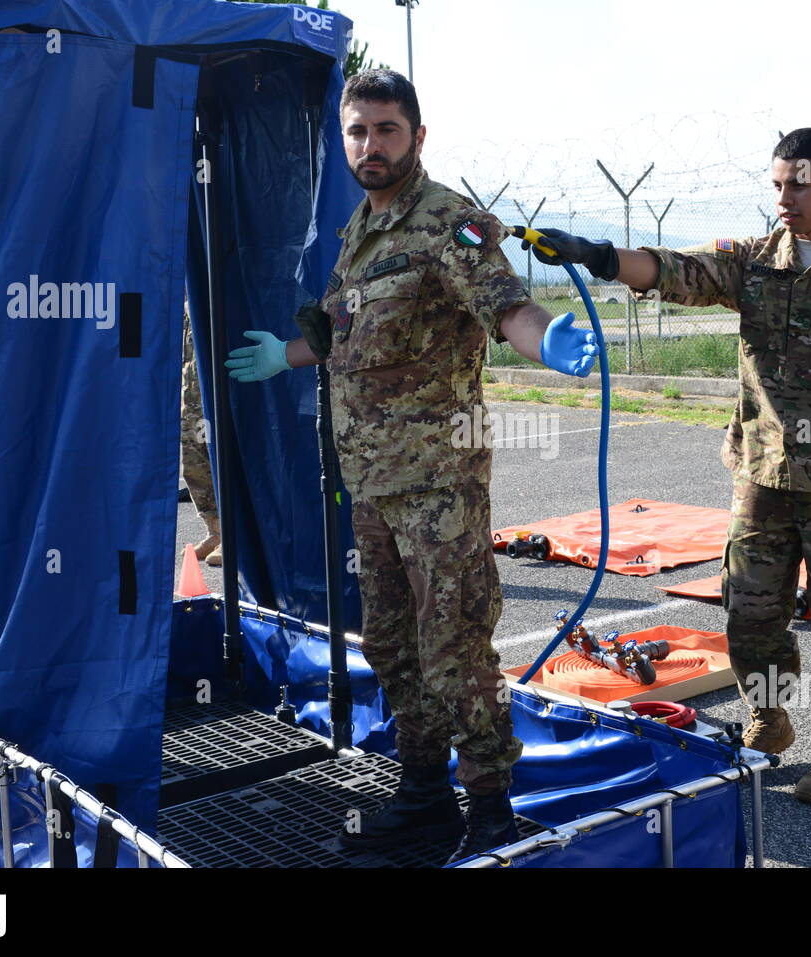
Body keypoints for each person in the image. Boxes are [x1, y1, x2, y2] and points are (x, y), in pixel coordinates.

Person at [225, 70, 597, 859]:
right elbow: (337, 331)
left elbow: (503, 305)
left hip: (439, 485)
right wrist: (286, 354)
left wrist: (545, 336)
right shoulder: (358, 233)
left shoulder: (447, 224)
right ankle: (426, 793)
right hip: (372, 483)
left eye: (386, 130)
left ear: (417, 137)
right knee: (392, 645)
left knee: (454, 647)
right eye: (358, 132)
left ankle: (493, 813)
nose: (370, 145)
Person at [527, 129, 811, 804]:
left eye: (799, 184)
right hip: (763, 474)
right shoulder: (752, 261)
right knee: (751, 613)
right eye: (777, 184)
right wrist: (598, 254)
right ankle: (769, 717)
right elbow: (671, 270)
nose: (783, 197)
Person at [180, 303, 222, 565]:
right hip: (192, 386)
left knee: (223, 454)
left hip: (217, 382)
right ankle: (214, 531)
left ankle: (235, 536)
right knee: (193, 455)